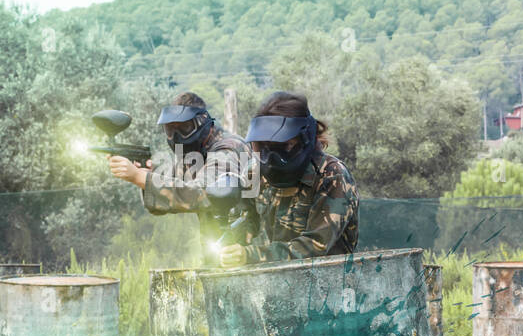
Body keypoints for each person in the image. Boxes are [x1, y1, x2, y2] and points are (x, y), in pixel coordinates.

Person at [106, 92, 256, 265]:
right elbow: (168, 197)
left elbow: (202, 194)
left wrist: (140, 177)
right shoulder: (196, 153)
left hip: (250, 254)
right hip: (221, 252)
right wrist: (148, 173)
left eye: (184, 128)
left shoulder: (229, 149)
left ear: (202, 122)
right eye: (171, 130)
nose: (177, 137)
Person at [218, 92, 359, 268]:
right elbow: (247, 220)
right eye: (261, 147)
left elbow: (314, 247)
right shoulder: (255, 173)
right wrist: (231, 244)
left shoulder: (331, 176)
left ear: (303, 139)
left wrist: (250, 255)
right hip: (270, 283)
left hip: (327, 285)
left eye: (281, 146)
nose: (269, 157)